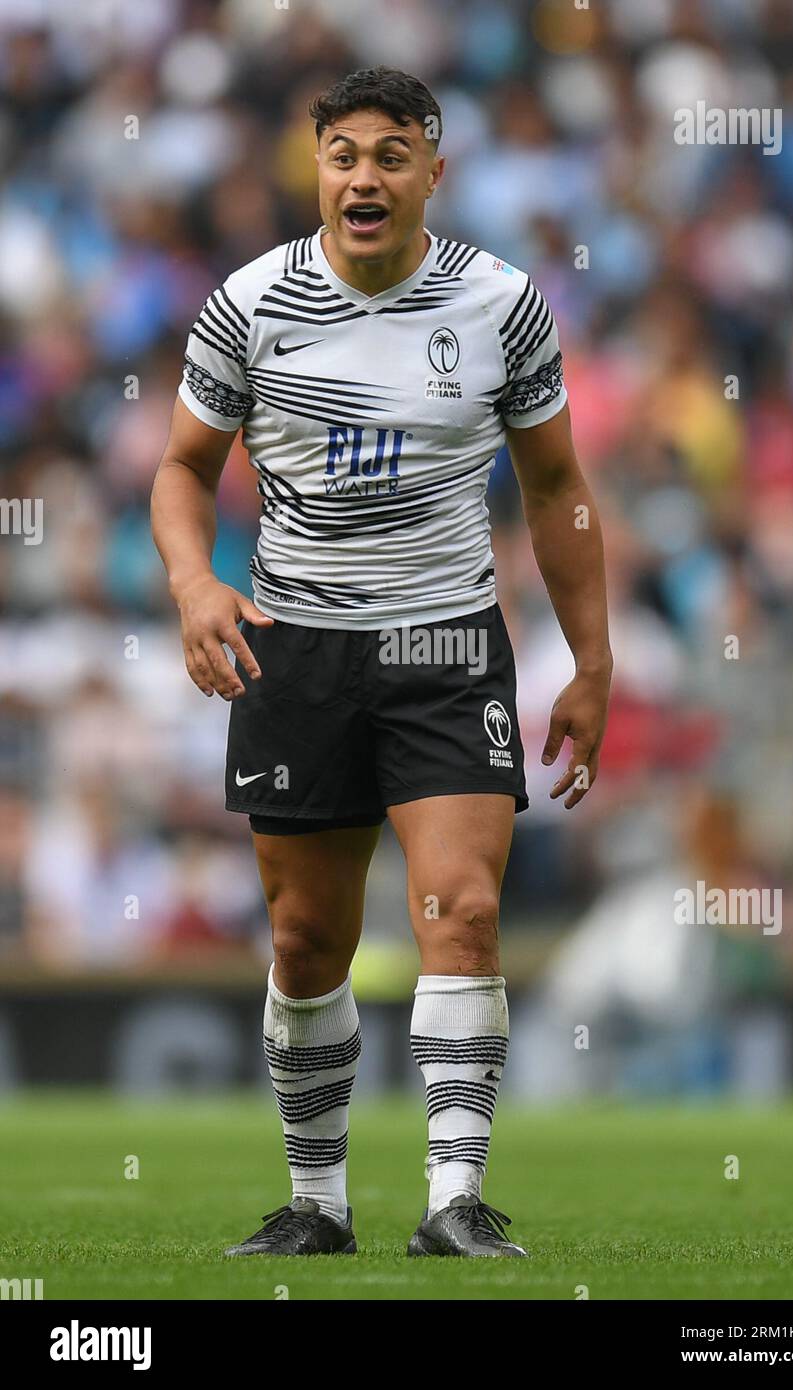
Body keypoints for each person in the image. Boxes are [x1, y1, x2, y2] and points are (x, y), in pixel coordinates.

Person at [151, 66, 612, 1259]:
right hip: (295, 650)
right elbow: (181, 471)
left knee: (459, 907)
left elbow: (557, 488)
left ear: (432, 173)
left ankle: (454, 1198)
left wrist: (592, 660)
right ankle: (318, 1204)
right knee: (307, 941)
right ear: (317, 169)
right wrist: (198, 583)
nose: (364, 175)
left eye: (390, 154)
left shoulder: (500, 303)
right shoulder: (246, 306)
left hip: (446, 645)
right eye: (343, 153)